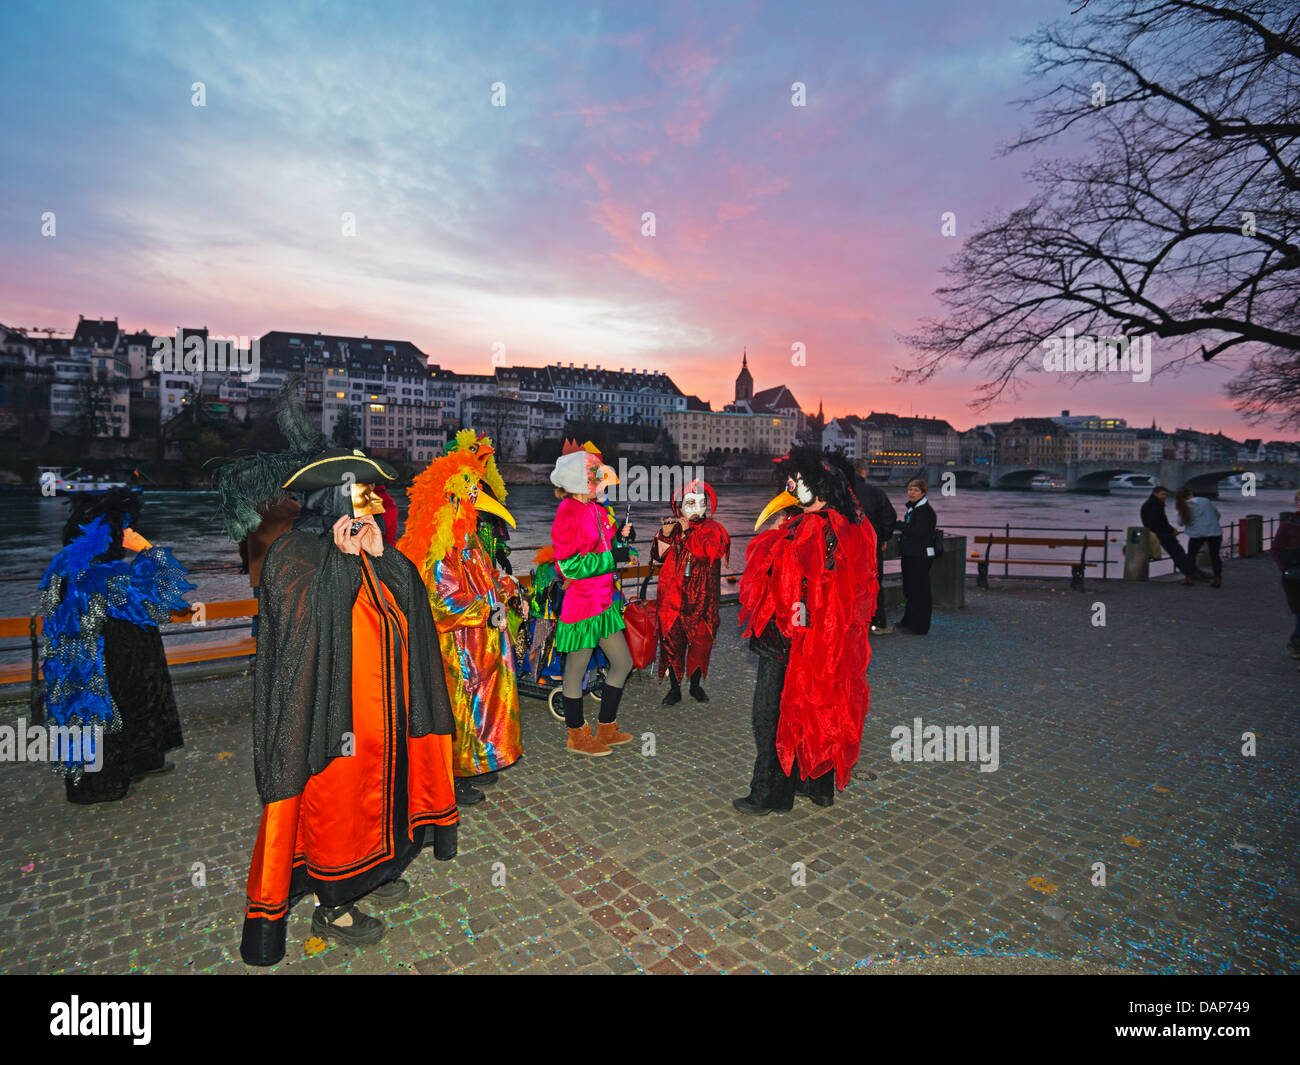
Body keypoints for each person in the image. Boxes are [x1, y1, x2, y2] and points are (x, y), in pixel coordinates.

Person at [238, 447, 460, 966]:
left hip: (387, 713)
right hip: (330, 722)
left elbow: (412, 608)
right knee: (340, 807)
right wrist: (339, 565)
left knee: (384, 800)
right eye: (363, 493)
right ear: (335, 497)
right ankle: (332, 903)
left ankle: (374, 874)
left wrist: (385, 557)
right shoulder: (293, 554)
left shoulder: (367, 545)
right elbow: (301, 638)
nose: (375, 503)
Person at [735, 447, 877, 814]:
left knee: (769, 713)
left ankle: (768, 793)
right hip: (826, 641)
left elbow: (779, 578)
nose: (791, 489)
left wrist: (774, 535)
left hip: (788, 637)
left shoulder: (808, 529)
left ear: (818, 487)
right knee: (815, 707)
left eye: (797, 484)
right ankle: (816, 786)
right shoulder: (854, 525)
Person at [38, 488, 193, 805]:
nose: (130, 533)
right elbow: (169, 590)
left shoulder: (66, 566)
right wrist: (145, 547)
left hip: (87, 661)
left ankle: (113, 773)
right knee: (125, 708)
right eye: (124, 528)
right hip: (117, 657)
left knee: (107, 712)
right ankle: (111, 779)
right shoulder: (107, 576)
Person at [399, 430, 523, 807]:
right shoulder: (439, 543)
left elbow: (483, 576)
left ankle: (478, 762)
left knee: (484, 707)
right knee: (459, 709)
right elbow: (441, 601)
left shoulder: (467, 537)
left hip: (483, 641)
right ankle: (450, 777)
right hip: (458, 646)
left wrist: (504, 585)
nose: (474, 500)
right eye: (468, 493)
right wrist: (487, 609)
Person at [549, 440, 635, 756]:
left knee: (623, 663)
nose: (600, 482)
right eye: (595, 478)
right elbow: (568, 565)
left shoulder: (596, 509)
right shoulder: (568, 511)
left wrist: (624, 543)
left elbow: (605, 547)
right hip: (582, 604)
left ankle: (606, 727)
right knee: (575, 672)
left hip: (604, 602)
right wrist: (613, 558)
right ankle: (577, 735)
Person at [651, 478, 730, 704]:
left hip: (703, 600)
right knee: (672, 645)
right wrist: (665, 536)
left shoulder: (715, 530)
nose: (695, 507)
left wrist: (687, 534)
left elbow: (706, 553)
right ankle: (674, 689)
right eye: (690, 502)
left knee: (700, 644)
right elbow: (658, 556)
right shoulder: (672, 528)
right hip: (673, 599)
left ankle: (695, 686)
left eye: (700, 502)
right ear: (680, 505)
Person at [844, 456, 897, 633]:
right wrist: (882, 538)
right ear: (864, 471)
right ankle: (877, 622)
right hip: (870, 547)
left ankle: (849, 622)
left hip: (846, 547)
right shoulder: (876, 492)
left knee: (848, 584)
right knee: (873, 584)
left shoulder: (842, 492)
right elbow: (890, 516)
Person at [894, 477, 937, 635]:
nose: (911, 492)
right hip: (912, 554)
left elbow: (918, 531)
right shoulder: (914, 509)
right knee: (911, 590)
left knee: (919, 591)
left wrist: (898, 524)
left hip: (920, 555)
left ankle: (919, 626)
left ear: (923, 493)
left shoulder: (924, 511)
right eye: (910, 489)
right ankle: (909, 621)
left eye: (915, 490)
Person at [1140, 486, 1197, 581]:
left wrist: (1171, 529)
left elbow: (1160, 521)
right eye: (1162, 494)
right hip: (1162, 534)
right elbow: (1157, 522)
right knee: (1178, 553)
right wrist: (1171, 531)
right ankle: (1190, 574)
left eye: (1165, 494)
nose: (1164, 496)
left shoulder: (1153, 503)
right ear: (1155, 493)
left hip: (1161, 533)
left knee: (1178, 554)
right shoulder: (1153, 505)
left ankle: (1190, 574)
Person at [1270, 491, 1300, 660]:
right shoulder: (1288, 525)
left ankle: (1296, 642)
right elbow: (1276, 550)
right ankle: (1296, 643)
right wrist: (1284, 568)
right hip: (1295, 576)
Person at [1177, 487, 1223, 588]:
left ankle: (1188, 578)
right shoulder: (1205, 501)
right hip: (1214, 531)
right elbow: (1217, 515)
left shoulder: (1184, 506)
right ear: (1191, 493)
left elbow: (1180, 523)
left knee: (1191, 555)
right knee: (1215, 556)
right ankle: (1217, 579)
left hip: (1197, 534)